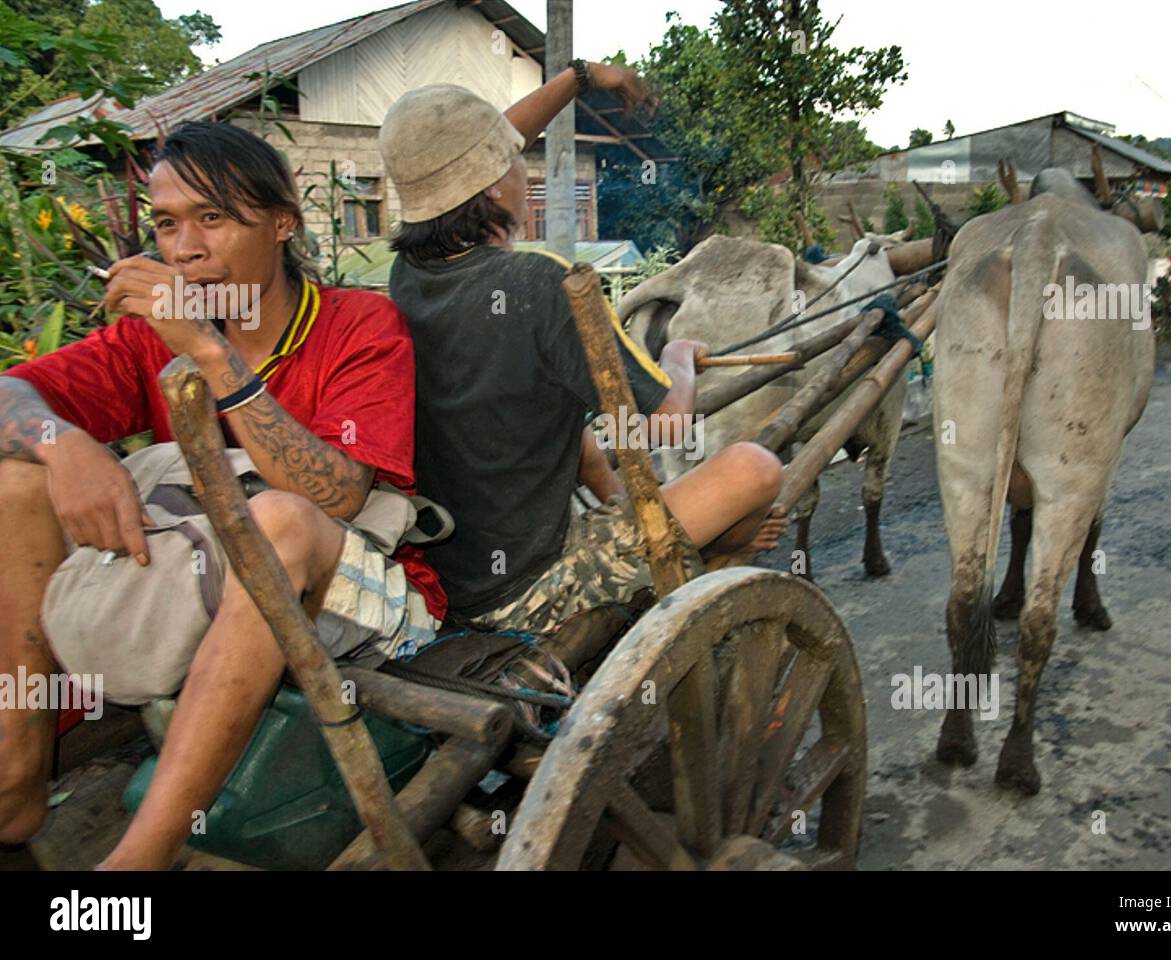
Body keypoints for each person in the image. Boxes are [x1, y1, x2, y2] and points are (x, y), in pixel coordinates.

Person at [0, 122, 444, 869]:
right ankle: (15, 776)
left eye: (213, 218)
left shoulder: (359, 324)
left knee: (278, 520)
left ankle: (135, 864)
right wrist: (63, 444)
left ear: (282, 223)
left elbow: (334, 495)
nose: (185, 249)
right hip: (218, 566)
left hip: (363, 595)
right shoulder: (147, 337)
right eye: (168, 225)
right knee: (15, 481)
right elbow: (13, 393)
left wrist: (209, 351)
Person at [380, 62, 787, 636]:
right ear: (497, 185)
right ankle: (717, 537)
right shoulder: (540, 283)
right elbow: (669, 423)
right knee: (757, 468)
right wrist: (677, 357)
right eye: (517, 159)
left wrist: (582, 78)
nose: (525, 165)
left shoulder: (408, 274)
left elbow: (486, 149)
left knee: (569, 420)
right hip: (530, 588)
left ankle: (628, 512)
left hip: (454, 575)